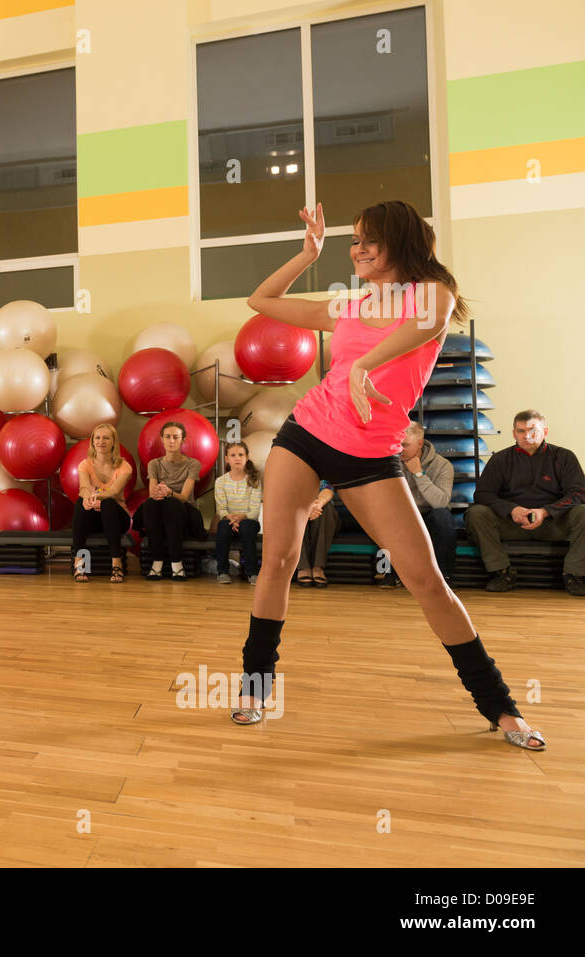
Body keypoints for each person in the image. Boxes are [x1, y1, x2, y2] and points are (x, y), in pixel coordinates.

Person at [230, 199, 543, 750]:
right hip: (305, 436)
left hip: (371, 456)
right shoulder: (349, 305)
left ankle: (501, 708)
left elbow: (424, 328)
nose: (358, 250)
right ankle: (256, 684)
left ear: (402, 243)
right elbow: (261, 301)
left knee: (426, 581)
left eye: (370, 240)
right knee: (277, 558)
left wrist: (365, 368)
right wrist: (308, 253)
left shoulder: (432, 295)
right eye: (353, 241)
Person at [464, 410, 585, 595]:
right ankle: (502, 572)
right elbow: (482, 494)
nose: (526, 436)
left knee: (583, 512)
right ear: (514, 433)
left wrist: (546, 511)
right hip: (512, 523)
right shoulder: (500, 459)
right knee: (476, 513)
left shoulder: (564, 457)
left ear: (545, 431)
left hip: (553, 523)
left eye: (532, 430)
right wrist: (511, 510)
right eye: (520, 431)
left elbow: (579, 493)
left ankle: (574, 575)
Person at [379, 421, 455, 587]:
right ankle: (386, 572)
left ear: (420, 443)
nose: (400, 449)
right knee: (382, 517)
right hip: (403, 514)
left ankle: (445, 576)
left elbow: (440, 502)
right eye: (397, 444)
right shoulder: (390, 462)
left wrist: (419, 475)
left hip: (429, 514)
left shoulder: (443, 466)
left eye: (405, 445)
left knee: (442, 516)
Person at [138, 421, 202, 580]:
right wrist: (160, 494)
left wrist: (168, 492)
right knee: (151, 503)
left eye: (176, 437)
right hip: (159, 512)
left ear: (183, 440)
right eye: (168, 437)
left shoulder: (192, 464)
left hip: (183, 513)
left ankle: (177, 563)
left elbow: (185, 496)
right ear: (162, 439)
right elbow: (153, 494)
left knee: (171, 503)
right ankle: (157, 561)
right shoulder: (154, 464)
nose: (171, 441)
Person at [71, 423, 133, 583]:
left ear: (113, 442)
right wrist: (87, 496)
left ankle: (116, 563)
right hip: (94, 518)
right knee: (80, 502)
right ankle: (79, 563)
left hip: (117, 518)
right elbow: (83, 488)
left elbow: (113, 492)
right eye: (97, 438)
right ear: (92, 442)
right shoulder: (85, 464)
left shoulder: (124, 466)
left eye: (106, 438)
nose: (101, 441)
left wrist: (96, 497)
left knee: (108, 503)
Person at [214, 441, 262, 584]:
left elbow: (254, 511)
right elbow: (221, 509)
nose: (237, 458)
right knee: (223, 527)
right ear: (226, 459)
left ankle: (252, 572)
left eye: (241, 455)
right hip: (229, 520)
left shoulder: (254, 480)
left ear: (247, 457)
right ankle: (223, 571)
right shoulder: (220, 481)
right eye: (233, 455)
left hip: (248, 521)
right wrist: (231, 518)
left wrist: (241, 518)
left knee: (247, 526)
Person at [295, 481, 339, 587]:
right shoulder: (291, 474)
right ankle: (303, 567)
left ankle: (318, 567)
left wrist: (317, 505)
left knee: (326, 508)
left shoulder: (321, 471)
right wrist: (306, 508)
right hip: (299, 510)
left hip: (322, 513)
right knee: (296, 511)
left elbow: (328, 490)